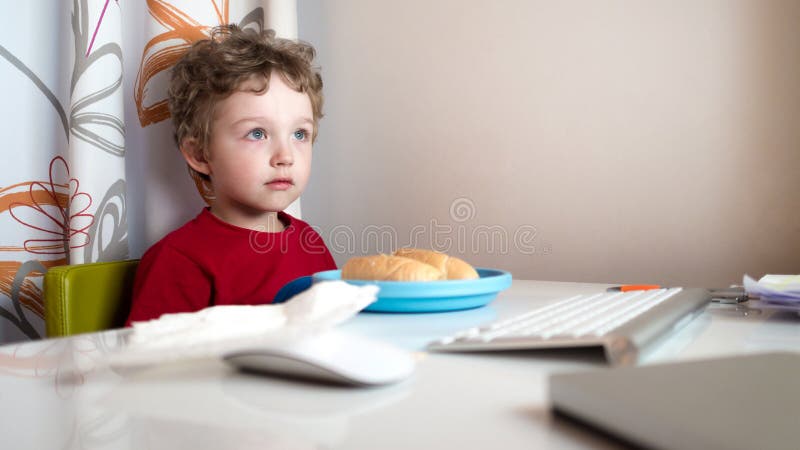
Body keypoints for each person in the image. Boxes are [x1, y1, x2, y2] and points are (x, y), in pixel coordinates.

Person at [126, 24, 336, 325]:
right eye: (257, 133)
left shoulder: (310, 241)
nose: (285, 156)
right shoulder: (181, 259)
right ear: (200, 154)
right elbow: (149, 363)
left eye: (300, 134)